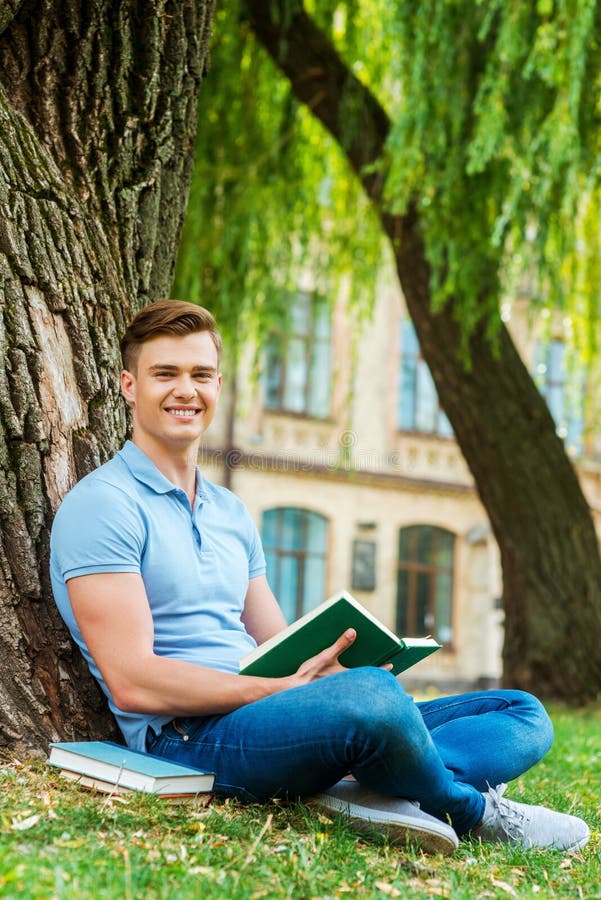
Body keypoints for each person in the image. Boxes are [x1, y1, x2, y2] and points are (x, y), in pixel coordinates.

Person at [50, 300, 589, 855]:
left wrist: (327, 669)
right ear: (128, 385)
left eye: (200, 374)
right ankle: (470, 811)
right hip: (187, 738)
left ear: (217, 385)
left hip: (269, 711)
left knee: (521, 712)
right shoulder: (103, 506)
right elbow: (132, 680)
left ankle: (365, 783)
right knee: (375, 700)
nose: (185, 390)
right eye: (165, 374)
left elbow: (278, 644)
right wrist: (284, 690)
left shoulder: (229, 511)